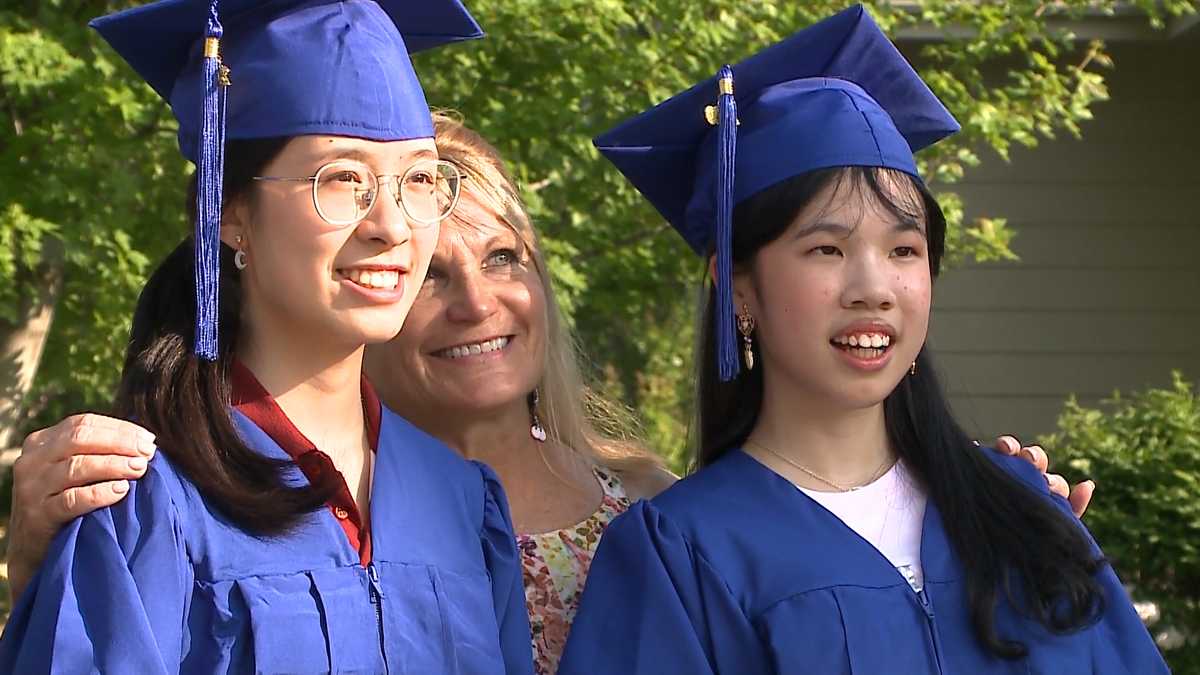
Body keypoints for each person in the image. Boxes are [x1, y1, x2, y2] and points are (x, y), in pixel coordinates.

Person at [5, 106, 1088, 673]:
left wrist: (975, 519)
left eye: (507, 260)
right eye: (431, 274)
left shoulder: (654, 505)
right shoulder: (189, 498)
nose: (479, 303)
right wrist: (28, 560)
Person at [558, 6, 1165, 674]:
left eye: (904, 248)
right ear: (737, 286)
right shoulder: (680, 554)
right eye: (826, 247)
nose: (873, 286)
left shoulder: (1020, 504)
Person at [0, 1, 535, 673]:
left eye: (419, 179)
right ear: (228, 212)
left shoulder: (462, 502)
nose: (392, 225)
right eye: (344, 178)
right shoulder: (145, 502)